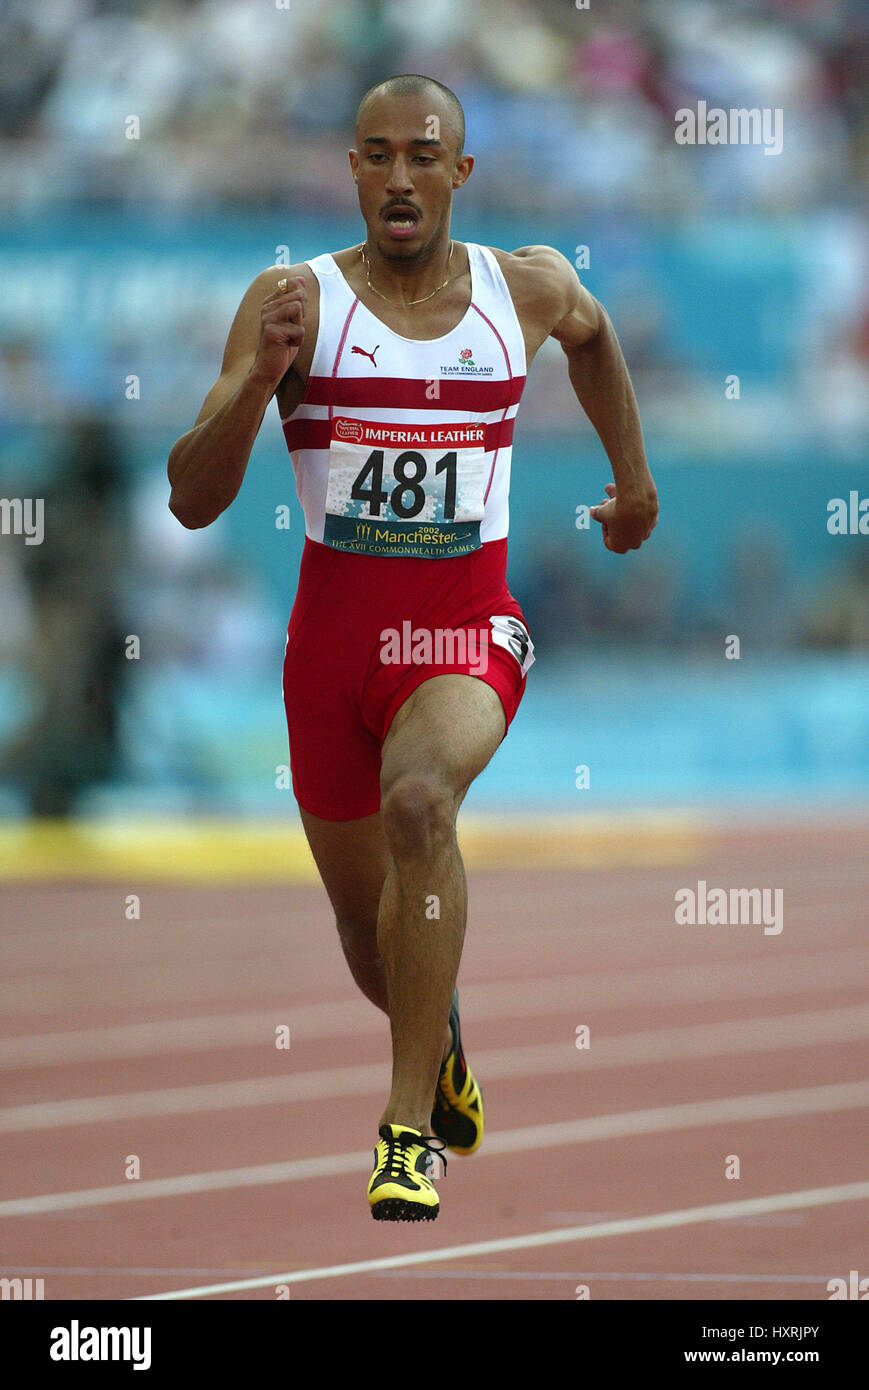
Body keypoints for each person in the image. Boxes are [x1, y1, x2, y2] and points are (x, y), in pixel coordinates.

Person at [167, 73, 658, 1222]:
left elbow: (595, 340)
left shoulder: (521, 287)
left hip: (462, 627)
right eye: (375, 155)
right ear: (349, 170)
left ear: (458, 172)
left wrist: (632, 486)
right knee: (364, 924)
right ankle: (436, 1040)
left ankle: (402, 1137)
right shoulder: (290, 298)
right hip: (328, 651)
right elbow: (192, 498)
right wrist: (255, 387)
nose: (398, 177)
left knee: (421, 804)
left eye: (420, 156)